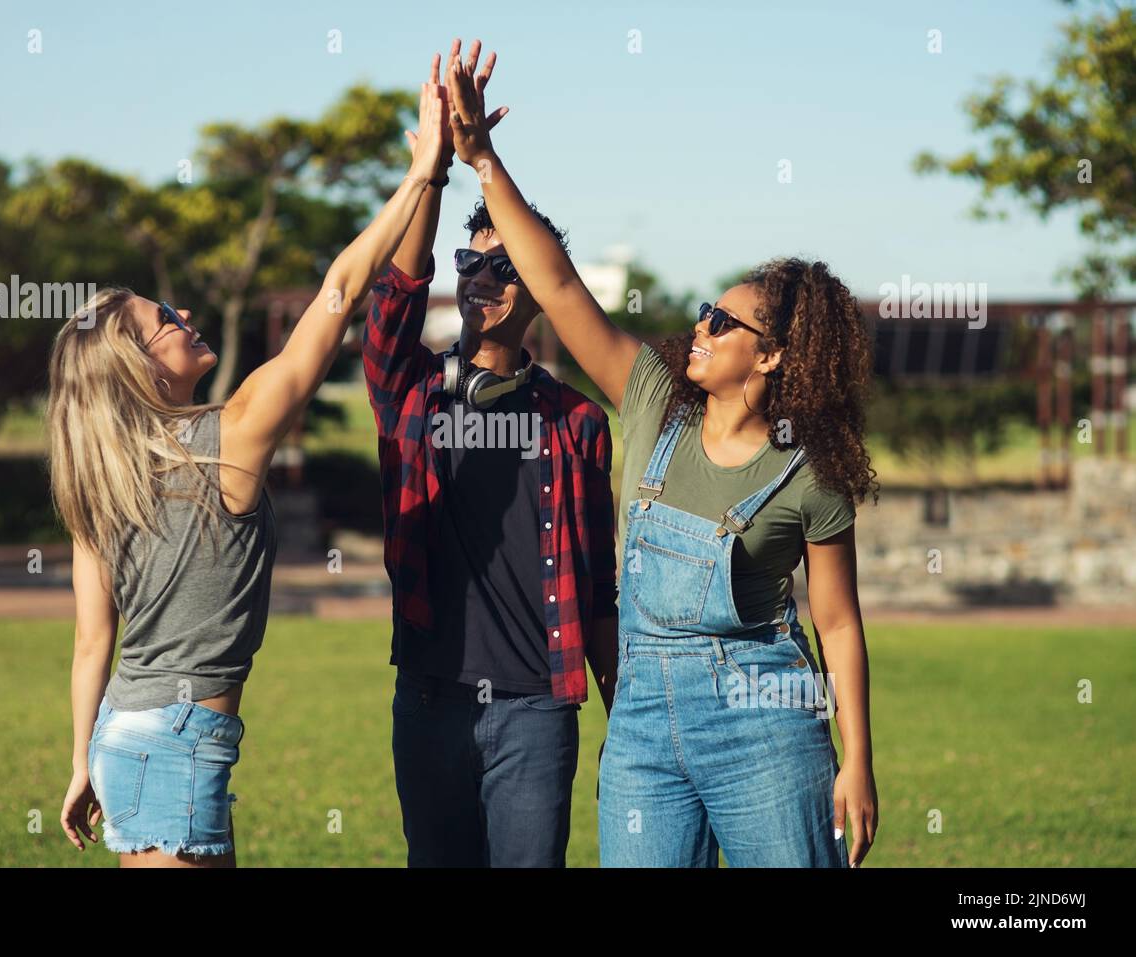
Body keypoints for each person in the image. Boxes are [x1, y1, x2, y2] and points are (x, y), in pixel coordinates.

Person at [444, 42, 880, 867]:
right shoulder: (650, 397)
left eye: (726, 321)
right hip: (643, 728)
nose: (704, 325)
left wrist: (856, 759)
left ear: (776, 356)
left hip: (768, 725)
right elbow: (564, 286)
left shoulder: (811, 474)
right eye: (708, 309)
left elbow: (838, 622)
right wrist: (484, 162)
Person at [53, 78, 448, 867]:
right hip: (173, 744)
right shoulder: (229, 435)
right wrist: (417, 179)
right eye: (163, 321)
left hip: (135, 737)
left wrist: (79, 760)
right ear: (136, 365)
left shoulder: (101, 481)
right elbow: (337, 299)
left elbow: (93, 641)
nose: (184, 317)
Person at [365, 42, 619, 867]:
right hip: (430, 699)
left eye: (505, 265)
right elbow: (395, 302)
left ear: (540, 287)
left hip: (537, 708)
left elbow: (600, 585)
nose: (481, 275)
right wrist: (435, 174)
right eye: (471, 262)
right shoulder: (411, 393)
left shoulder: (578, 422)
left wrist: (631, 725)